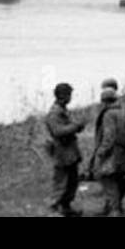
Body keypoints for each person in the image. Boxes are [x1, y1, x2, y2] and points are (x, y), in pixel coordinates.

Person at [89, 83, 125, 216]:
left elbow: (109, 136)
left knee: (107, 180)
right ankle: (113, 208)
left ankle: (114, 210)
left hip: (112, 155)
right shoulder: (123, 113)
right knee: (118, 181)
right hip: (124, 154)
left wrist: (100, 152)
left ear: (103, 101)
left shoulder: (108, 115)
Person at [44, 82, 86, 216]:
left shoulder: (63, 110)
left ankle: (66, 207)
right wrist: (76, 126)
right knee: (61, 183)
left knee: (72, 182)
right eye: (69, 95)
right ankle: (54, 210)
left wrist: (77, 126)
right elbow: (58, 131)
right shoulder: (54, 113)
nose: (70, 98)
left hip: (69, 153)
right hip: (62, 154)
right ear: (63, 96)